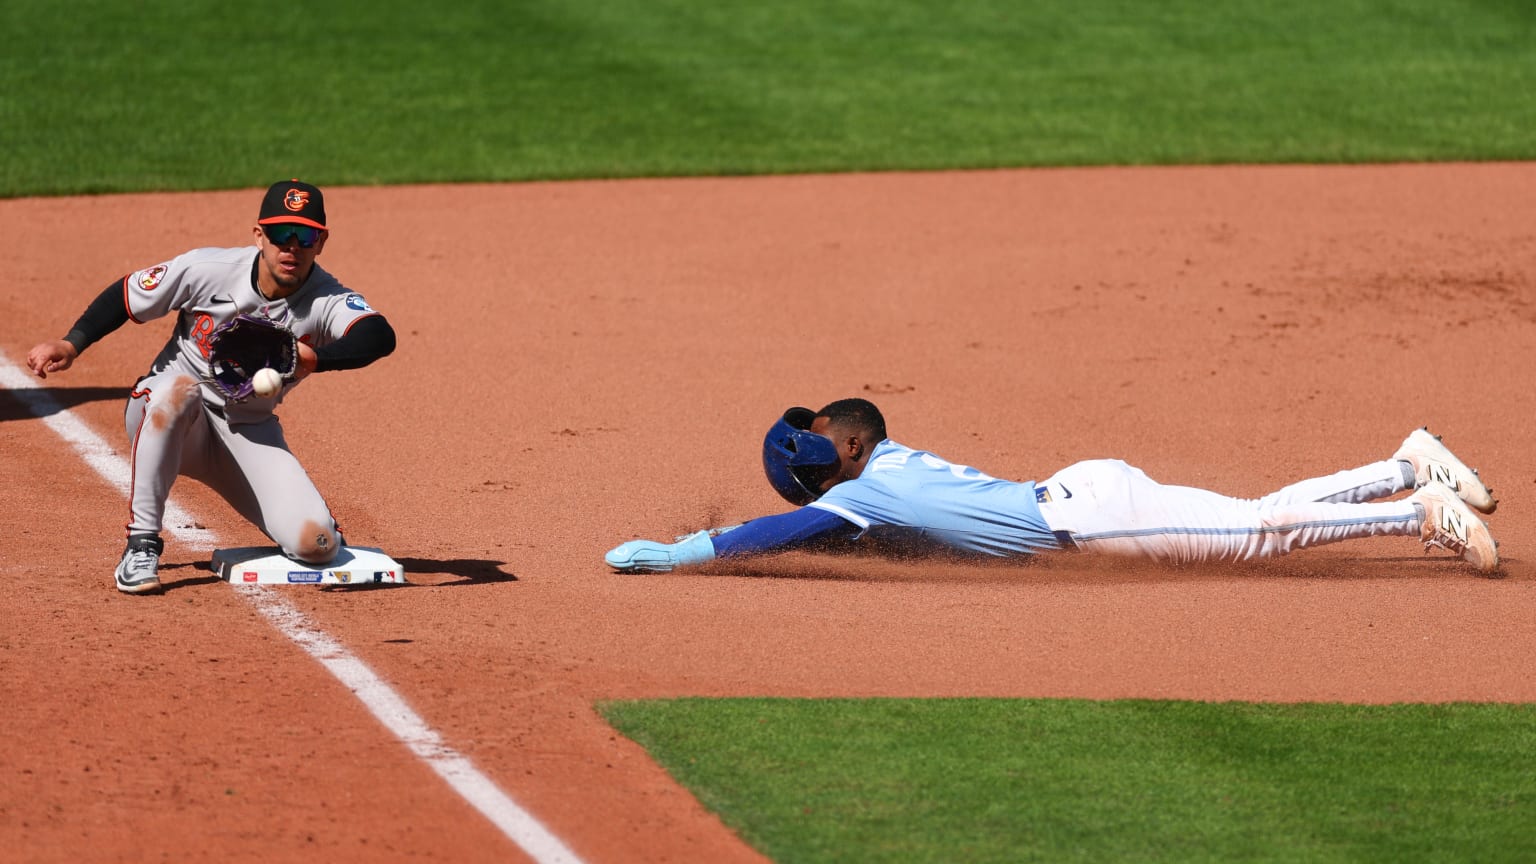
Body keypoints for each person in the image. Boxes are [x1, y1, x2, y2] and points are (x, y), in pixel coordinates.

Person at [605, 398, 1499, 575]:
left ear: (850, 442)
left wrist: (694, 551)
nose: (803, 450)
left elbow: (783, 534)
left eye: (814, 439)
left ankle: (1413, 508)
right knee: (1258, 515)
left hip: (1092, 519)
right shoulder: (882, 477)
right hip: (1082, 495)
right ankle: (1406, 464)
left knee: (1265, 533)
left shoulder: (862, 492)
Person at [27, 180, 397, 594]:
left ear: (321, 242)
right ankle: (141, 543)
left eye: (305, 236)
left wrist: (316, 358)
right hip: (170, 418)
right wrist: (71, 342)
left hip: (247, 429)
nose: (291, 247)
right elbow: (128, 293)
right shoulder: (209, 269)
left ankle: (311, 527)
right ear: (259, 235)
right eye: (280, 234)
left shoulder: (325, 298)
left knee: (317, 546)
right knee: (177, 390)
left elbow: (379, 335)